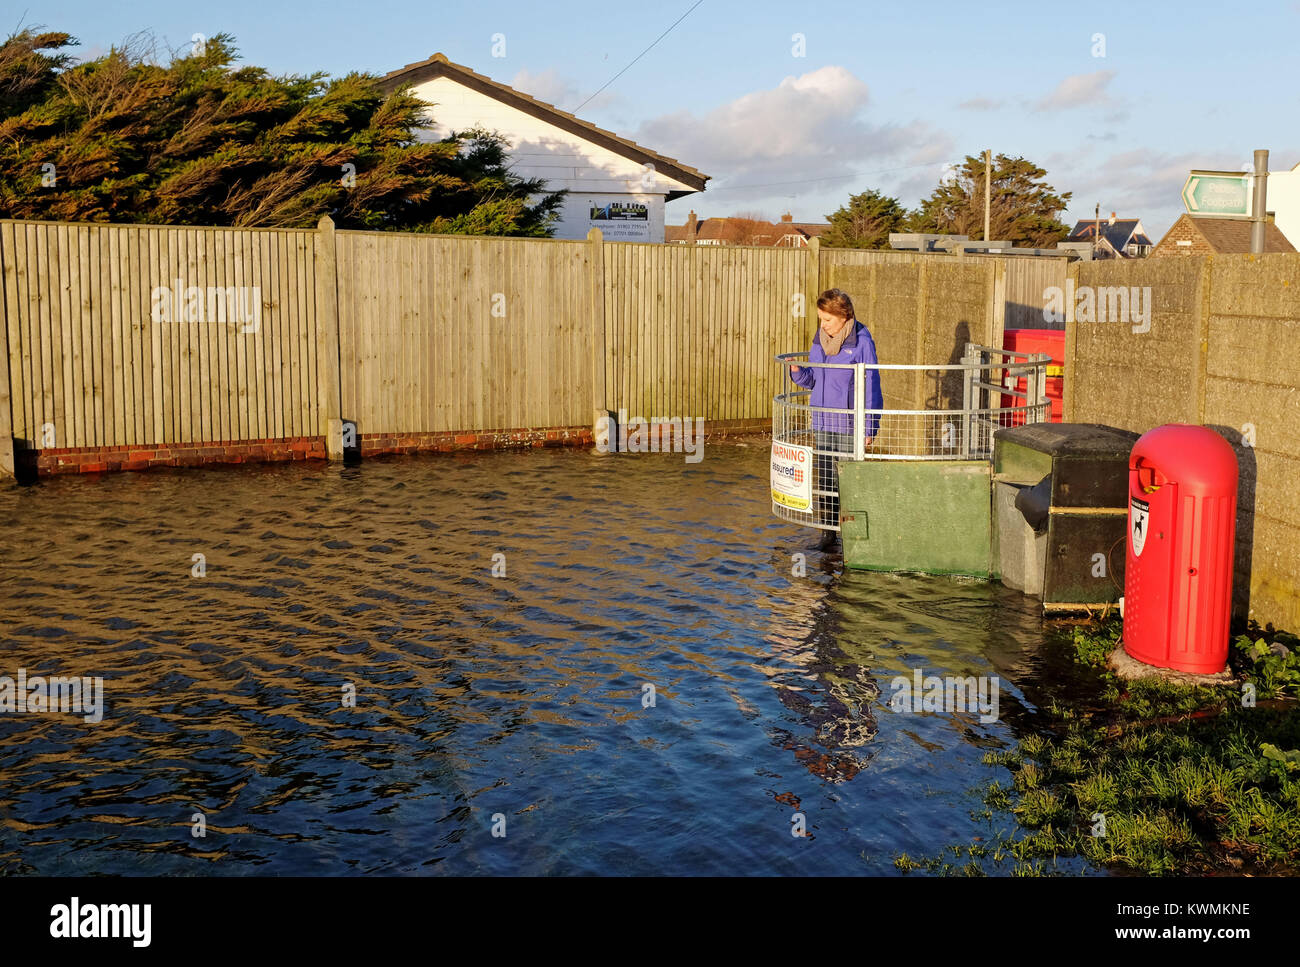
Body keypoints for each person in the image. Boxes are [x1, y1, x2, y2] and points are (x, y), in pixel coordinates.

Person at [788, 289, 883, 549]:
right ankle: (828, 536)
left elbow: (871, 387)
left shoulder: (862, 342)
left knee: (848, 481)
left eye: (827, 320)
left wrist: (869, 427)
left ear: (843, 316)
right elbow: (814, 380)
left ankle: (854, 540)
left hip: (849, 425)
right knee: (826, 480)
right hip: (822, 421)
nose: (823, 325)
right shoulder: (819, 341)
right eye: (821, 319)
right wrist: (797, 373)